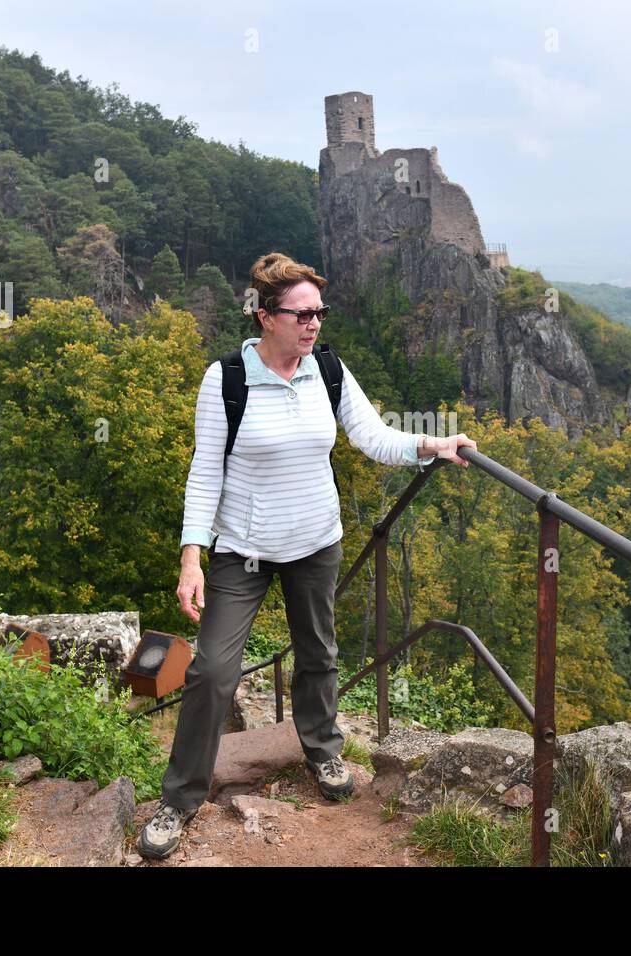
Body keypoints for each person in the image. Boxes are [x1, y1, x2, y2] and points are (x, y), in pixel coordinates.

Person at [138, 252, 476, 859]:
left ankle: (322, 751)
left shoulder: (326, 369)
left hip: (316, 541)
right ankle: (179, 799)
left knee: (319, 654)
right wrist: (193, 558)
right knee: (212, 670)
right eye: (302, 314)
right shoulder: (227, 380)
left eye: (319, 311)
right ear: (266, 317)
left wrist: (434, 444)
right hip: (242, 550)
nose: (315, 323)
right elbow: (204, 474)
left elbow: (373, 436)